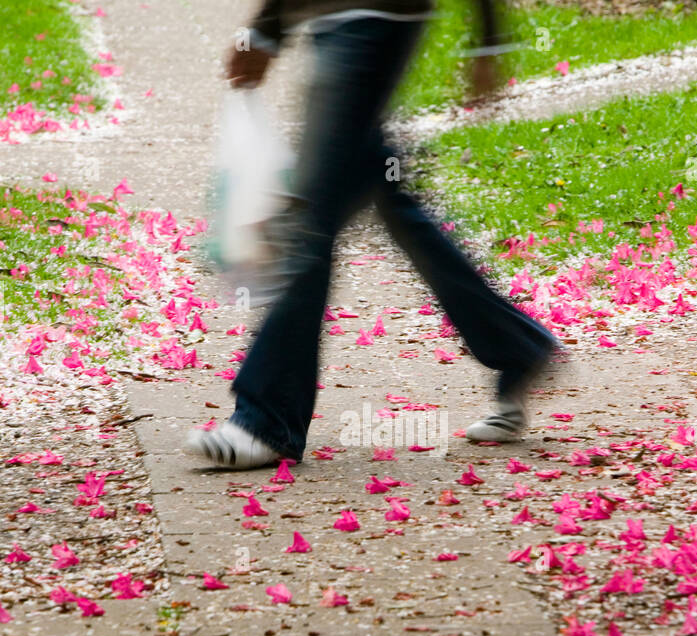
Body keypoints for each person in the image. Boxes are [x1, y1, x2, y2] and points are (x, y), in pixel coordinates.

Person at [186, 0, 559, 469]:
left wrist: (491, 38)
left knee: (311, 218)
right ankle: (518, 347)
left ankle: (267, 420)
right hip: (340, 23)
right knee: (387, 195)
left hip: (371, 23)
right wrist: (266, 31)